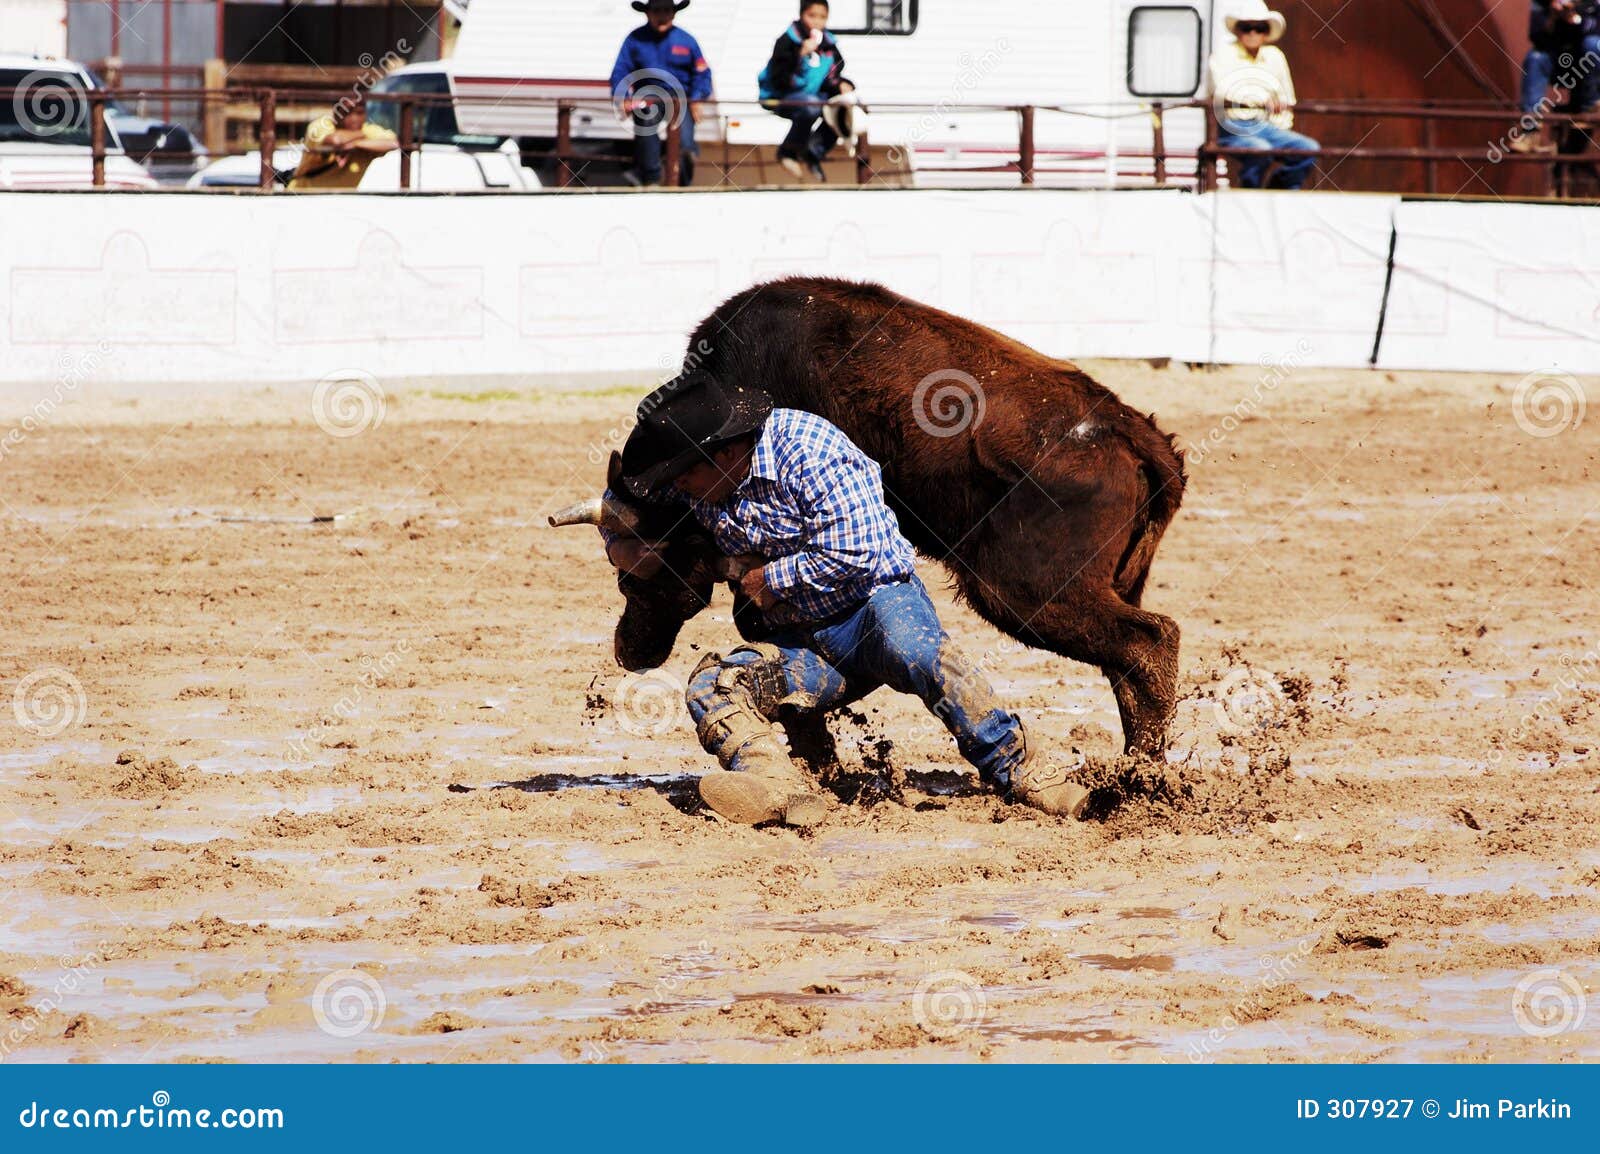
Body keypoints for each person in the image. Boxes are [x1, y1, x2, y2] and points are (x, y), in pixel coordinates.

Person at [601, 371, 1091, 828]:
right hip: (804, 647)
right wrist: (621, 546)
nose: (678, 488)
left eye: (684, 475)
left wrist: (770, 580)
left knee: (919, 654)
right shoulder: (698, 478)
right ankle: (776, 785)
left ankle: (1021, 769)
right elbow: (630, 514)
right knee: (713, 685)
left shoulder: (810, 449)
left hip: (875, 609)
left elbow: (858, 551)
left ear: (725, 455)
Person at [1208, 4, 1320, 190]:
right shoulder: (1223, 55)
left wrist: (1281, 126)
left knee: (1308, 149)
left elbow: (1286, 97)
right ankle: (1250, 192)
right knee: (1260, 149)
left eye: (1259, 28)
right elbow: (1223, 90)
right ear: (1238, 31)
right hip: (1231, 126)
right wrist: (1259, 101)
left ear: (1266, 32)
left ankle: (1279, 190)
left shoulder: (1275, 56)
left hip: (1267, 126)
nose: (1253, 33)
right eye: (1246, 28)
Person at [609, 0, 713, 187]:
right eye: (657, 11)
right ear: (648, 14)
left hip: (682, 100)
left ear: (673, 14)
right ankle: (651, 178)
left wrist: (697, 99)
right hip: (648, 96)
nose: (662, 15)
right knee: (646, 120)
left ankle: (682, 184)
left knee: (685, 144)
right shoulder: (635, 39)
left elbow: (702, 73)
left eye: (666, 10)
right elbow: (620, 71)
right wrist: (623, 98)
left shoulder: (687, 40)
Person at [759, 0, 855, 180]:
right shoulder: (788, 40)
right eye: (812, 16)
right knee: (811, 105)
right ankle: (788, 152)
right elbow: (779, 78)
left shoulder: (828, 44)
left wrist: (840, 84)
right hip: (781, 96)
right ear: (802, 15)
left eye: (822, 17)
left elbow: (832, 76)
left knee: (843, 107)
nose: (817, 22)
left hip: (814, 96)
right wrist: (800, 54)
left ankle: (813, 152)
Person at [1511, 0, 1600, 152]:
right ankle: (1530, 132)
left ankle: (1590, 109)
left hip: (1591, 68)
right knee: (1535, 58)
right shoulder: (1542, 4)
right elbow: (1537, 38)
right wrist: (1552, 19)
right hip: (1559, 63)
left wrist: (1575, 19)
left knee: (1593, 44)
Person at [287, 96, 398, 191]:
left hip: (341, 202)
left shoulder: (366, 131)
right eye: (347, 113)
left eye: (359, 113)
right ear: (336, 114)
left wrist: (356, 144)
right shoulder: (322, 125)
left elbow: (393, 143)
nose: (354, 119)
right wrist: (362, 137)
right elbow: (336, 140)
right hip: (302, 196)